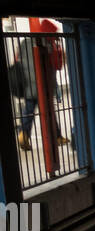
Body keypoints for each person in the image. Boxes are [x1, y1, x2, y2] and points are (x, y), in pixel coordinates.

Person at [15, 20, 67, 151]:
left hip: (28, 84)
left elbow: (17, 60)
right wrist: (60, 51)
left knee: (29, 110)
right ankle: (56, 136)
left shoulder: (25, 42)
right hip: (45, 84)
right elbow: (57, 65)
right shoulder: (49, 45)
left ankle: (23, 134)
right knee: (49, 111)